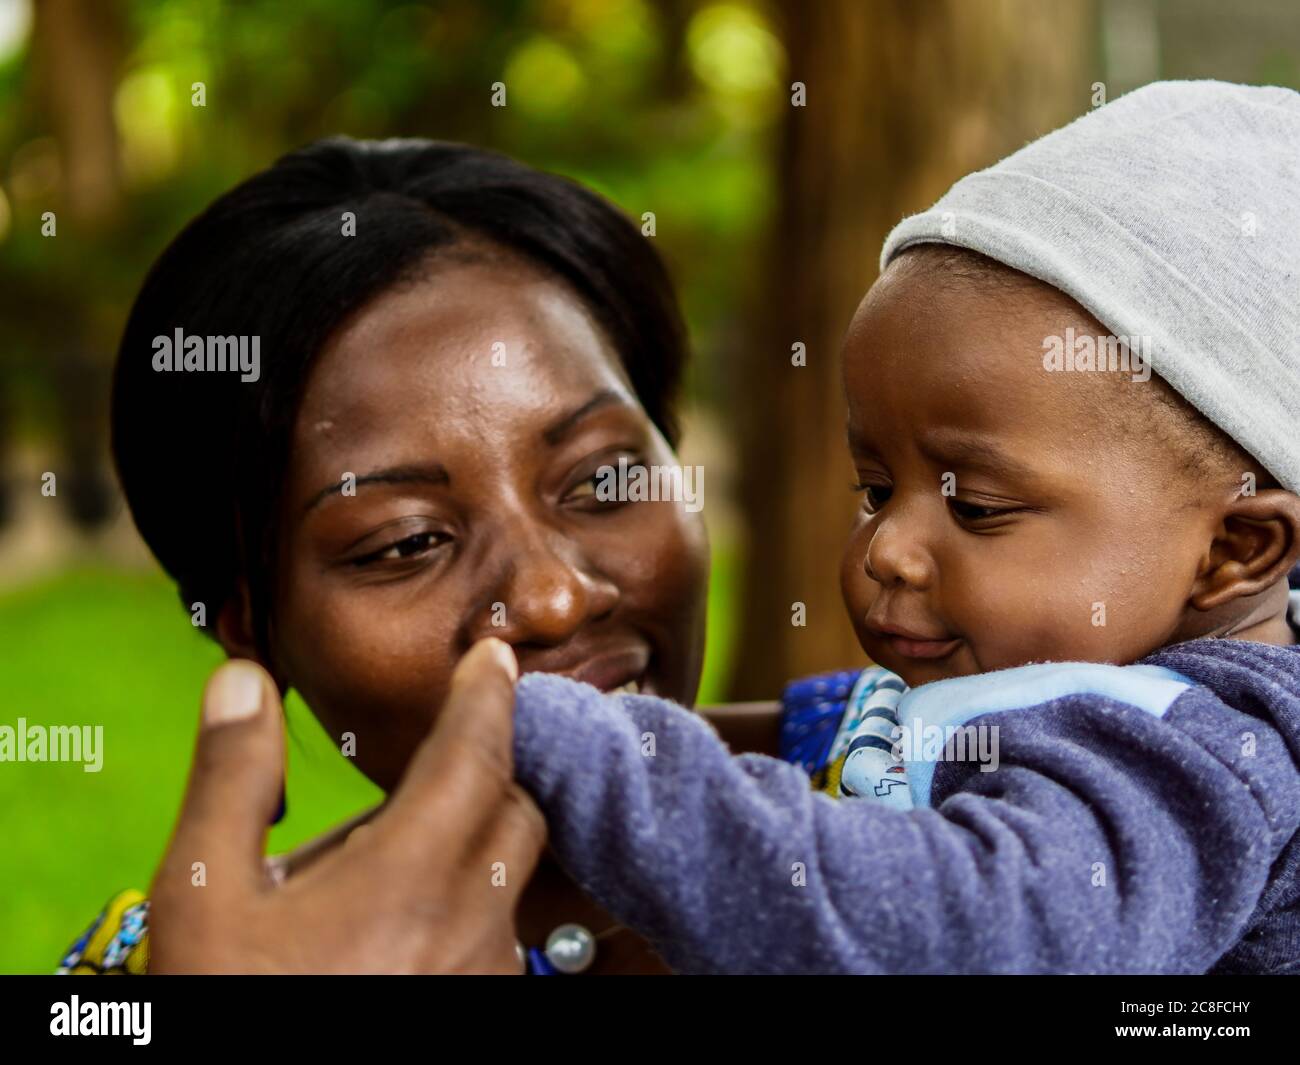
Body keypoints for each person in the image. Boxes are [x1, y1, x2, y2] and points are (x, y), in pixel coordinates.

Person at [501, 80, 1300, 974]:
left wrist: (600, 759)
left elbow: (971, 932)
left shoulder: (1191, 751)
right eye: (875, 489)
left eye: (977, 508)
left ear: (1235, 551)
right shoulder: (1064, 676)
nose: (886, 549)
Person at [62, 135, 737, 974]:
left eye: (602, 480)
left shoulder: (923, 799)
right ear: (251, 627)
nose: (553, 597)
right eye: (409, 541)